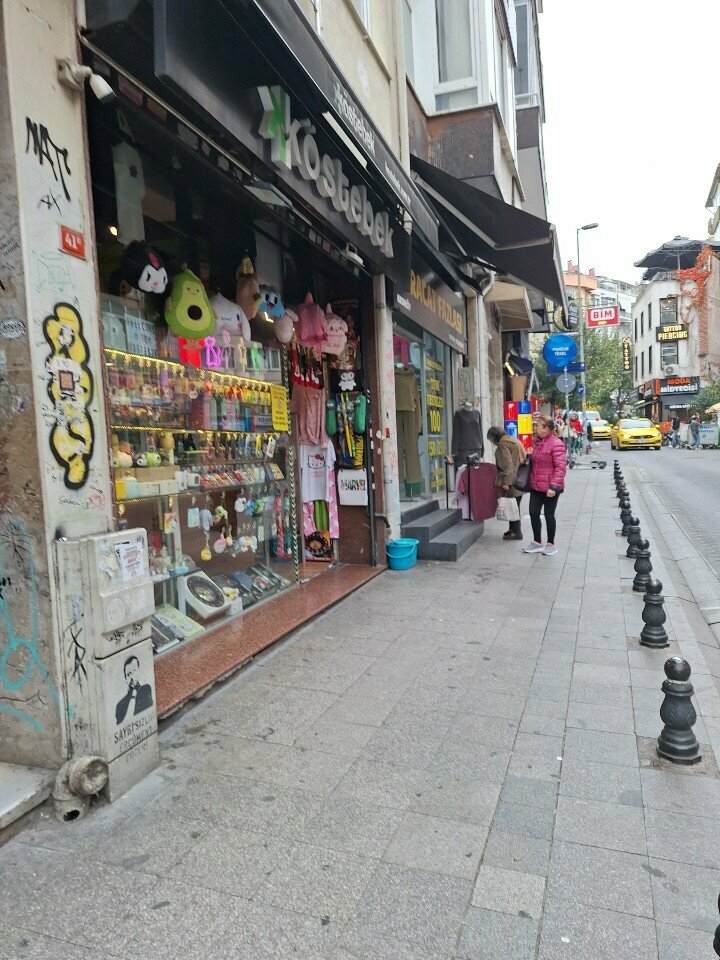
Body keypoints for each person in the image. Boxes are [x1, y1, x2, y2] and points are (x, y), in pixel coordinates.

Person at [522, 415, 567, 556]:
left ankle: (551, 544)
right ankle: (537, 542)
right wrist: (529, 455)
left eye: (538, 426)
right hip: (536, 485)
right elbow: (535, 462)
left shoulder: (556, 443)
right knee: (533, 513)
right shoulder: (537, 442)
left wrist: (553, 487)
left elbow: (561, 467)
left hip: (550, 487)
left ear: (547, 429)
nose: (536, 428)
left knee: (549, 515)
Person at [487, 426, 526, 541]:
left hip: (512, 479)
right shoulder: (511, 439)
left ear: (495, 437)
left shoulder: (503, 444)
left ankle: (517, 532)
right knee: (513, 506)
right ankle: (512, 529)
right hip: (519, 477)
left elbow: (507, 465)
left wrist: (506, 483)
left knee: (513, 507)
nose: (492, 443)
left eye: (491, 440)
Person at [115, 654, 154, 725]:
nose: (132, 676)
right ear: (125, 679)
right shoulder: (120, 705)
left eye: (134, 670)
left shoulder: (146, 689)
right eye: (129, 674)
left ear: (139, 671)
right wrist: (133, 694)